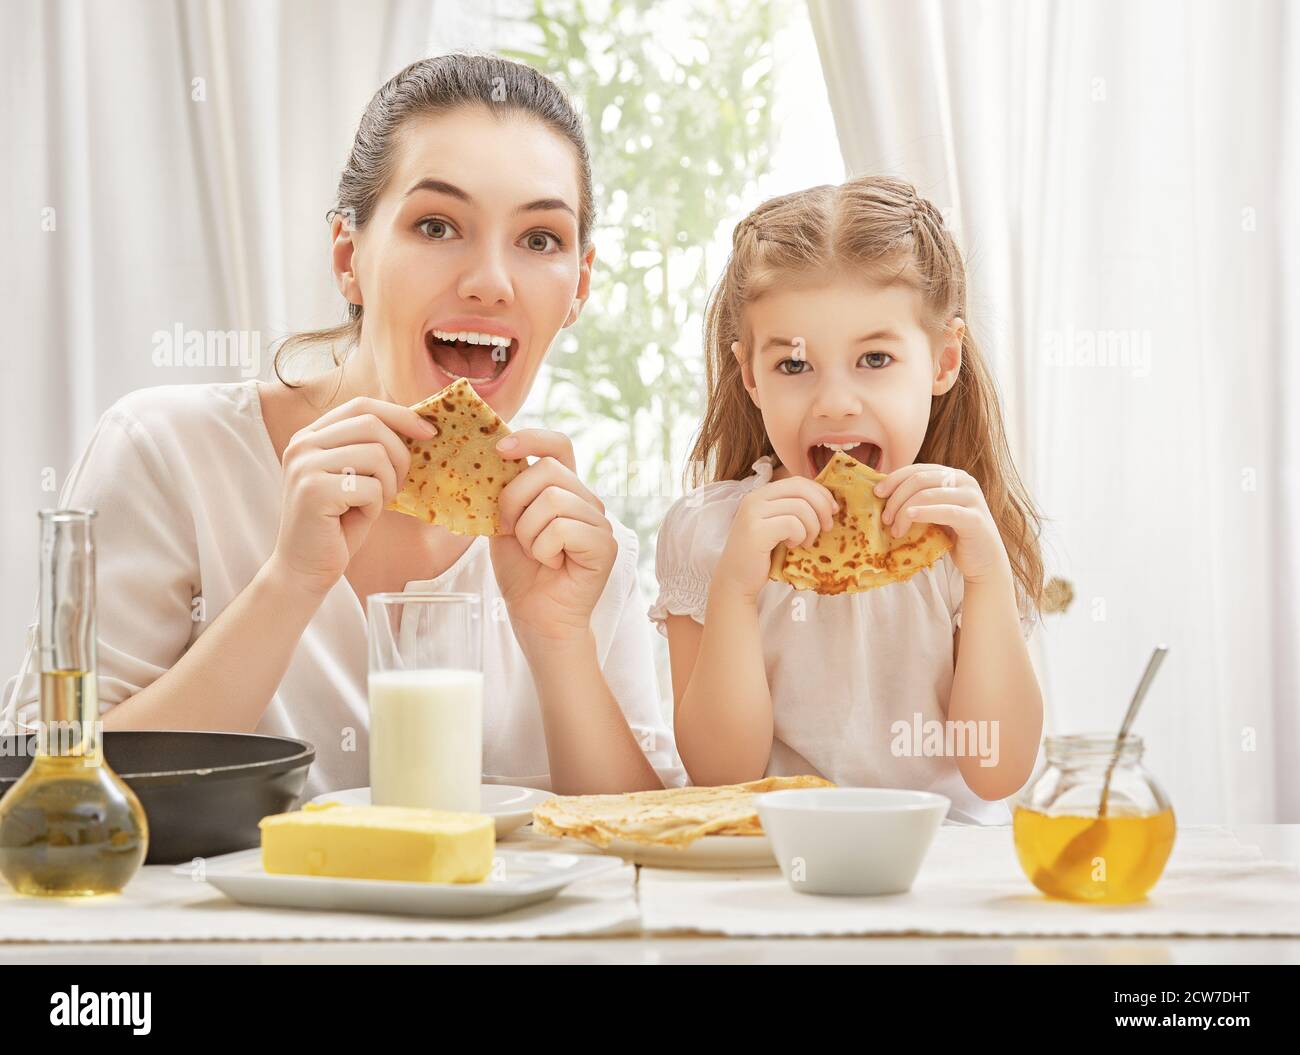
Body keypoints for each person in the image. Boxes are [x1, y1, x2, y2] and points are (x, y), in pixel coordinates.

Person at [4, 54, 685, 801]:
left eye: (540, 239)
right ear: (348, 258)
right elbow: (47, 803)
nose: (491, 280)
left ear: (579, 286)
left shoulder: (577, 548)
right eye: (437, 225)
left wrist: (560, 643)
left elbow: (638, 860)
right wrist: (291, 582)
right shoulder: (168, 454)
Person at [648, 176, 1043, 823]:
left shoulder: (959, 534)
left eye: (875, 358)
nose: (834, 400)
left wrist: (987, 576)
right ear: (750, 374)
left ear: (944, 360)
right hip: (779, 864)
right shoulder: (708, 534)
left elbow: (998, 769)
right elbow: (722, 775)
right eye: (795, 366)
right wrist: (737, 590)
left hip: (943, 862)